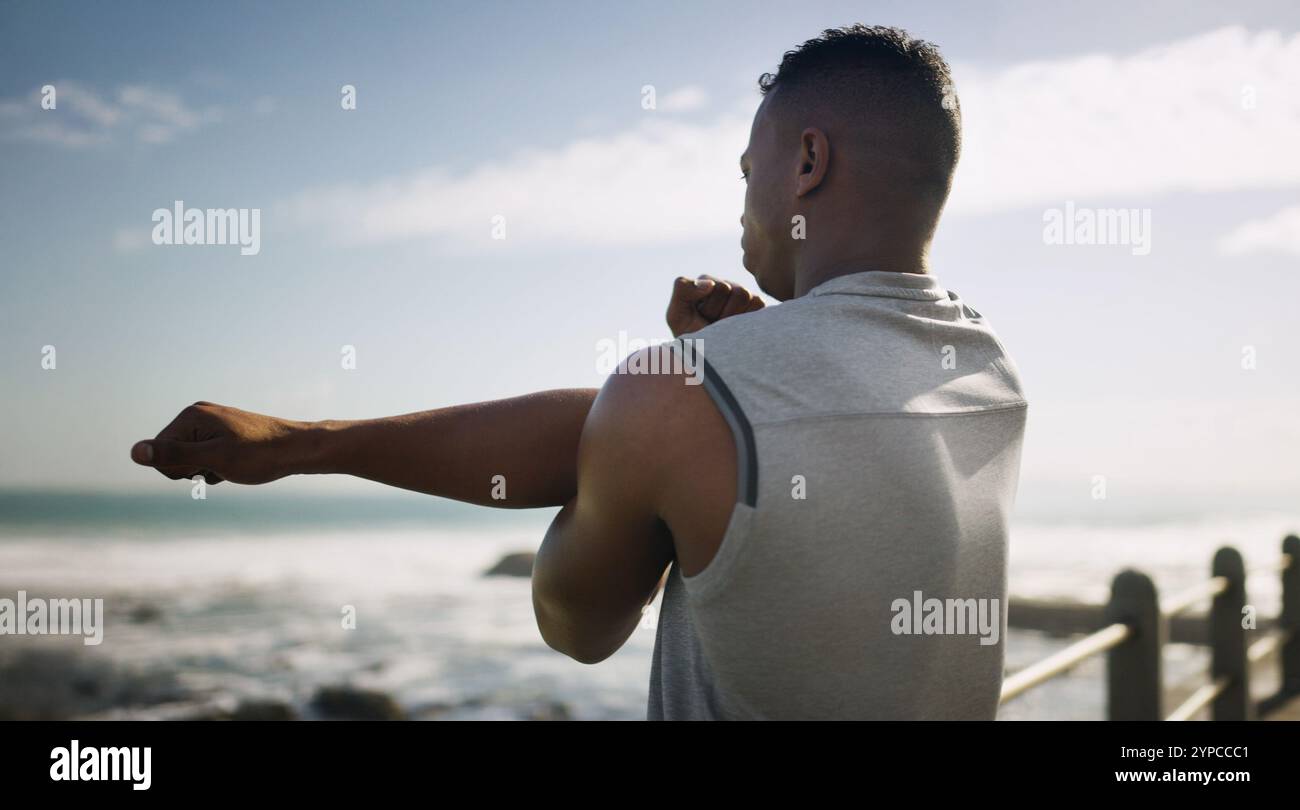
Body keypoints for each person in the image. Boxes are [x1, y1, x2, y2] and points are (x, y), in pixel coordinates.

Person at [131, 24, 1026, 720]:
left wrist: (682, 387)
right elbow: (800, 422)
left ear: (806, 162)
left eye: (750, 171)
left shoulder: (679, 397)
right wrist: (716, 371)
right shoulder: (988, 373)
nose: (742, 205)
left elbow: (576, 628)